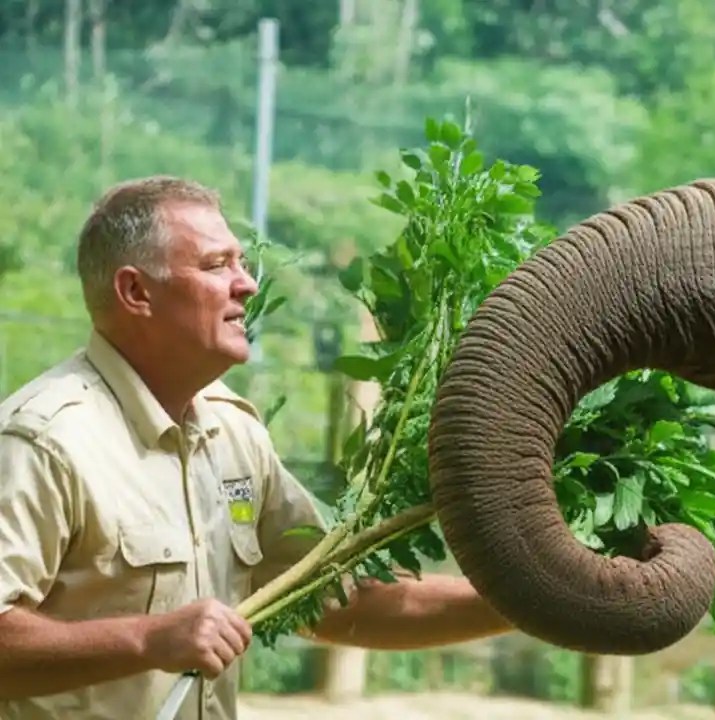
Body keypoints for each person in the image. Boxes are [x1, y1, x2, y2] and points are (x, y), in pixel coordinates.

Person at [0, 176, 513, 719]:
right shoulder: (47, 443)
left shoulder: (233, 432)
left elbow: (337, 601)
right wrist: (147, 640)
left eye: (241, 263)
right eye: (216, 266)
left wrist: (540, 598)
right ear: (135, 292)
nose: (245, 285)